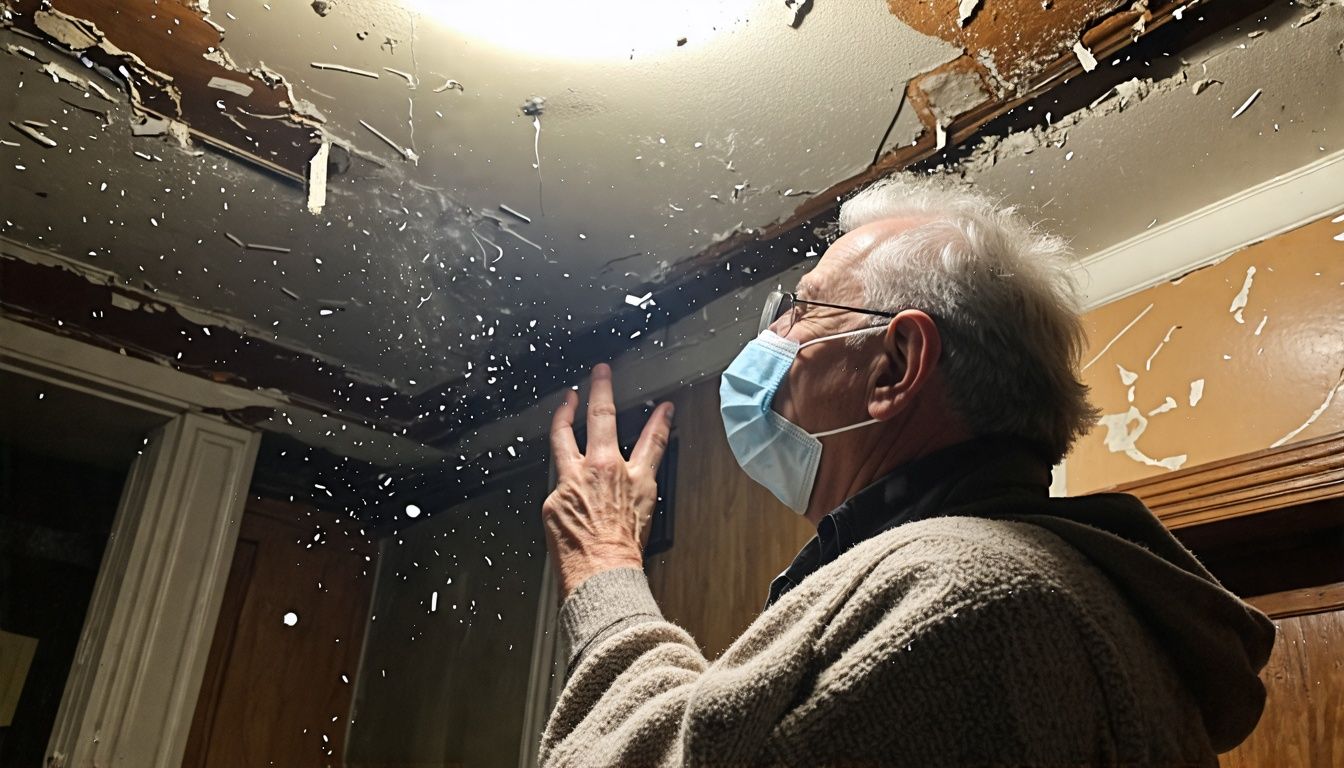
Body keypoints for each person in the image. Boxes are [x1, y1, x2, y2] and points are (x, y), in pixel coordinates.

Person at [538, 176, 1275, 767]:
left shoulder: (966, 597)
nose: (768, 339)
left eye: (798, 309)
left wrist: (603, 560)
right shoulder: (1064, 599)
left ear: (895, 365)